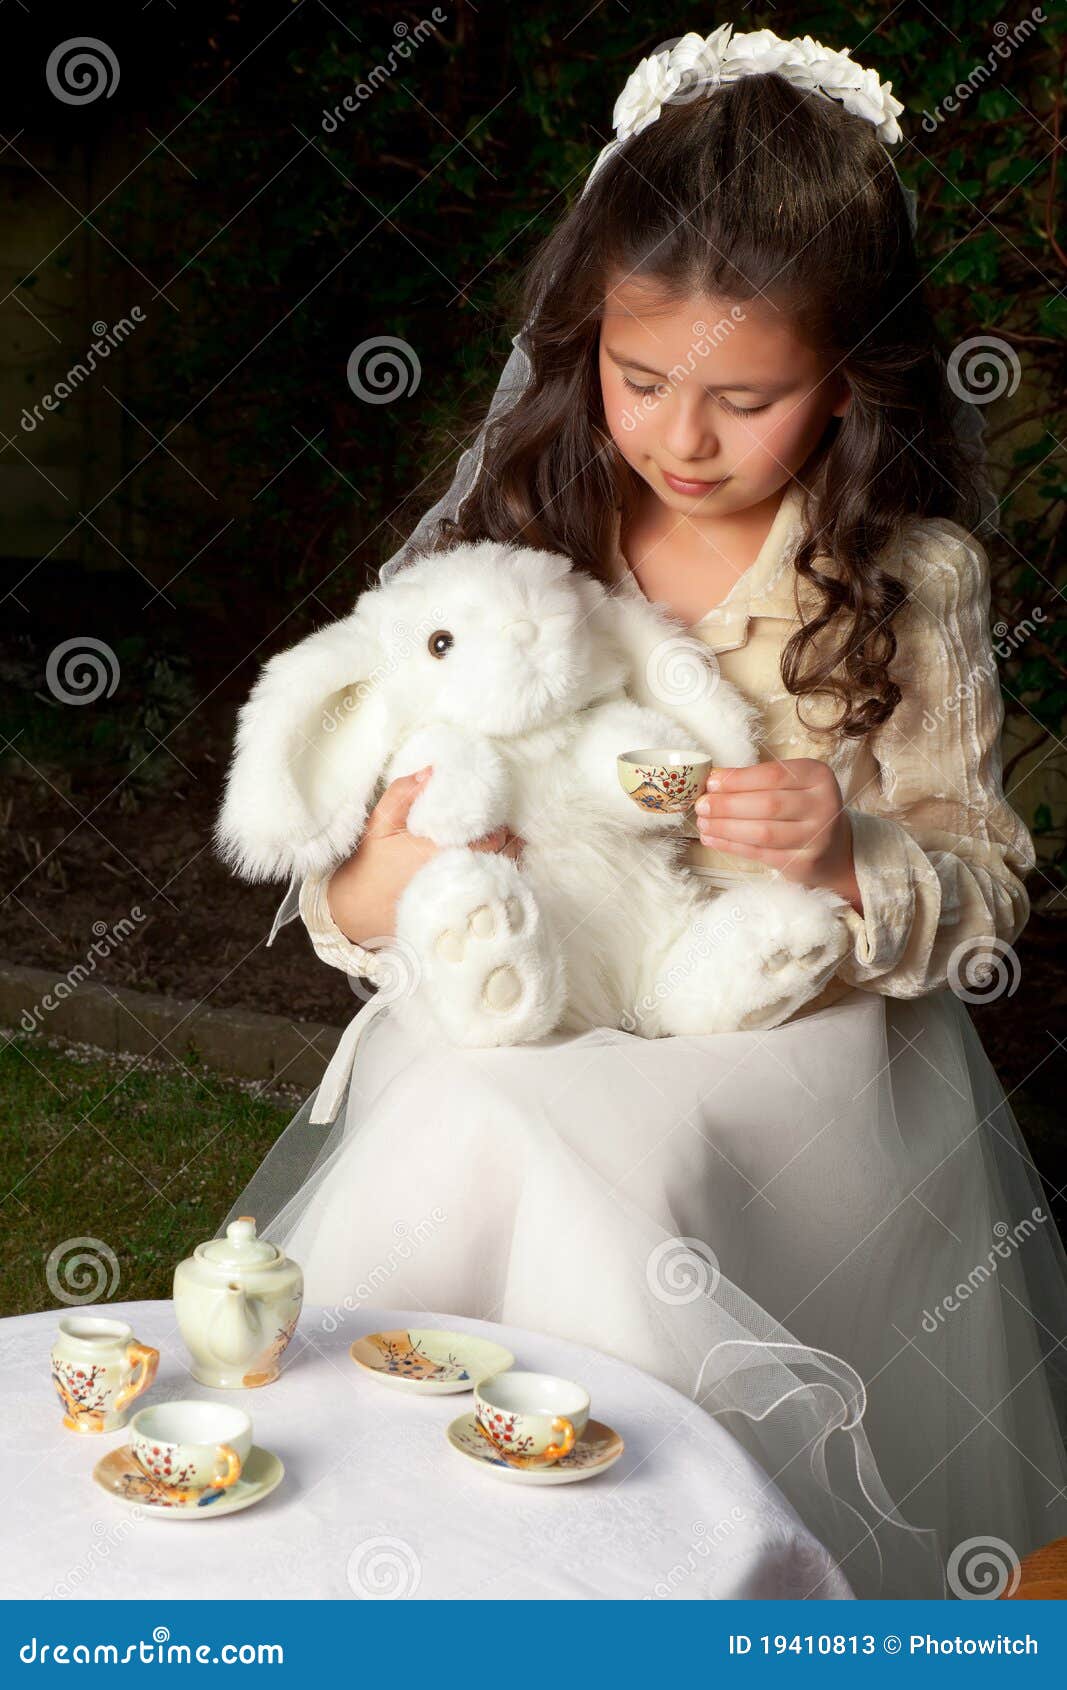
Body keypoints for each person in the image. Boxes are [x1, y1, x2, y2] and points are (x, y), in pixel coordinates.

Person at [220, 26, 1067, 1599]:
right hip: (541, 999)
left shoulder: (908, 584)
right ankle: (423, 1562)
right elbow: (350, 898)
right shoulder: (517, 548)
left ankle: (657, 1573)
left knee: (613, 1175)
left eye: (747, 397)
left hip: (785, 1048)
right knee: (482, 1112)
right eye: (639, 377)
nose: (682, 437)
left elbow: (987, 885)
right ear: (583, 340)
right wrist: (410, 861)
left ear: (853, 378)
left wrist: (845, 852)